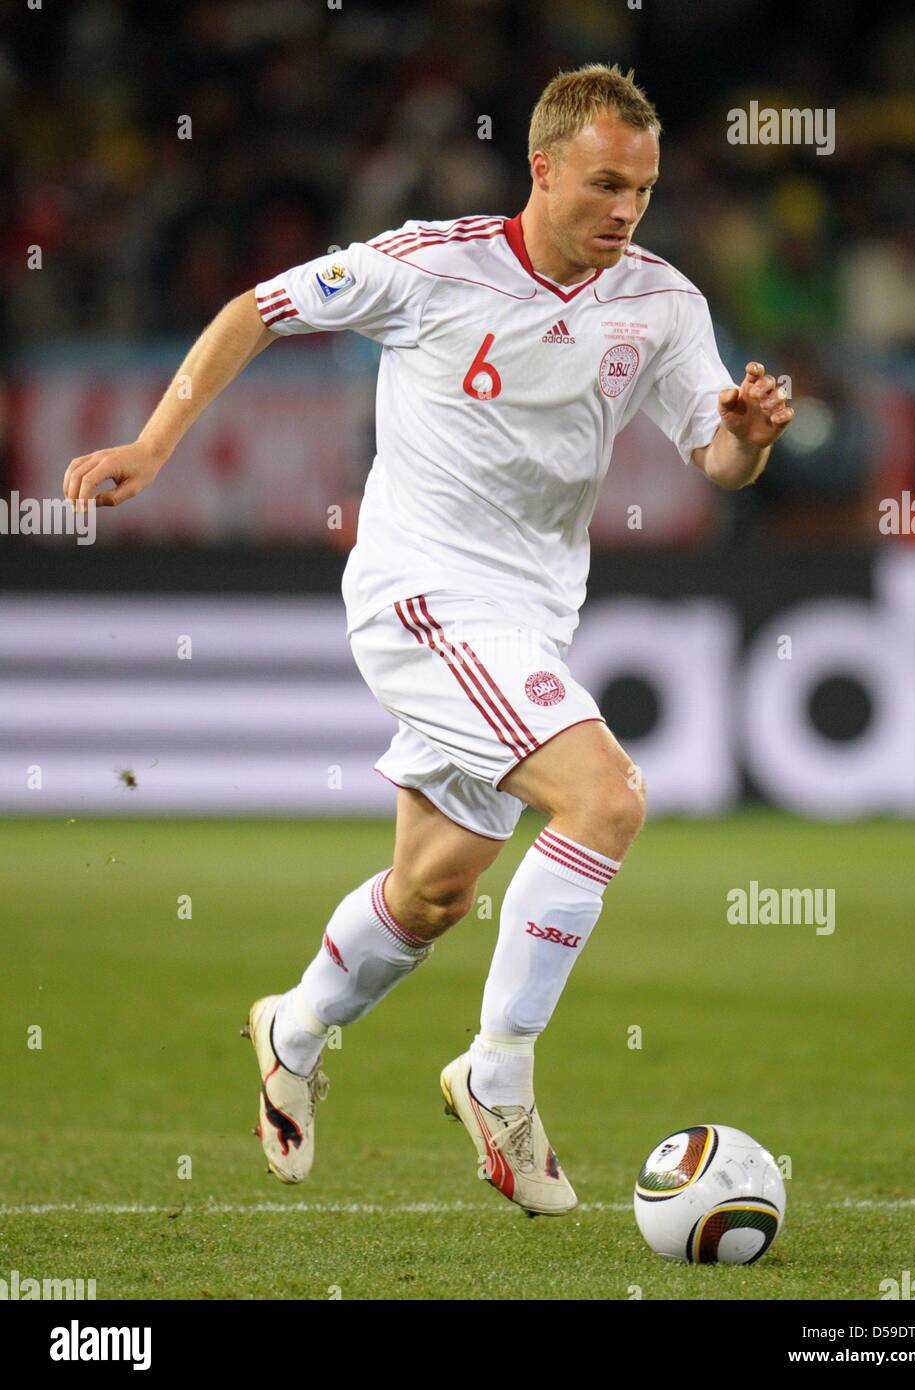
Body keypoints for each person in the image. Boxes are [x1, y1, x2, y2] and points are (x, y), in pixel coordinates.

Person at [63, 63, 794, 1216]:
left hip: (532, 612)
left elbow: (715, 454)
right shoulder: (428, 263)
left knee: (435, 890)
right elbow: (255, 308)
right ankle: (495, 1077)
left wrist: (747, 439)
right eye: (604, 184)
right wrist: (155, 447)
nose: (624, 211)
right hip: (420, 594)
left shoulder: (658, 304)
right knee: (605, 799)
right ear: (542, 167)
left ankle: (292, 1031)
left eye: (642, 192)